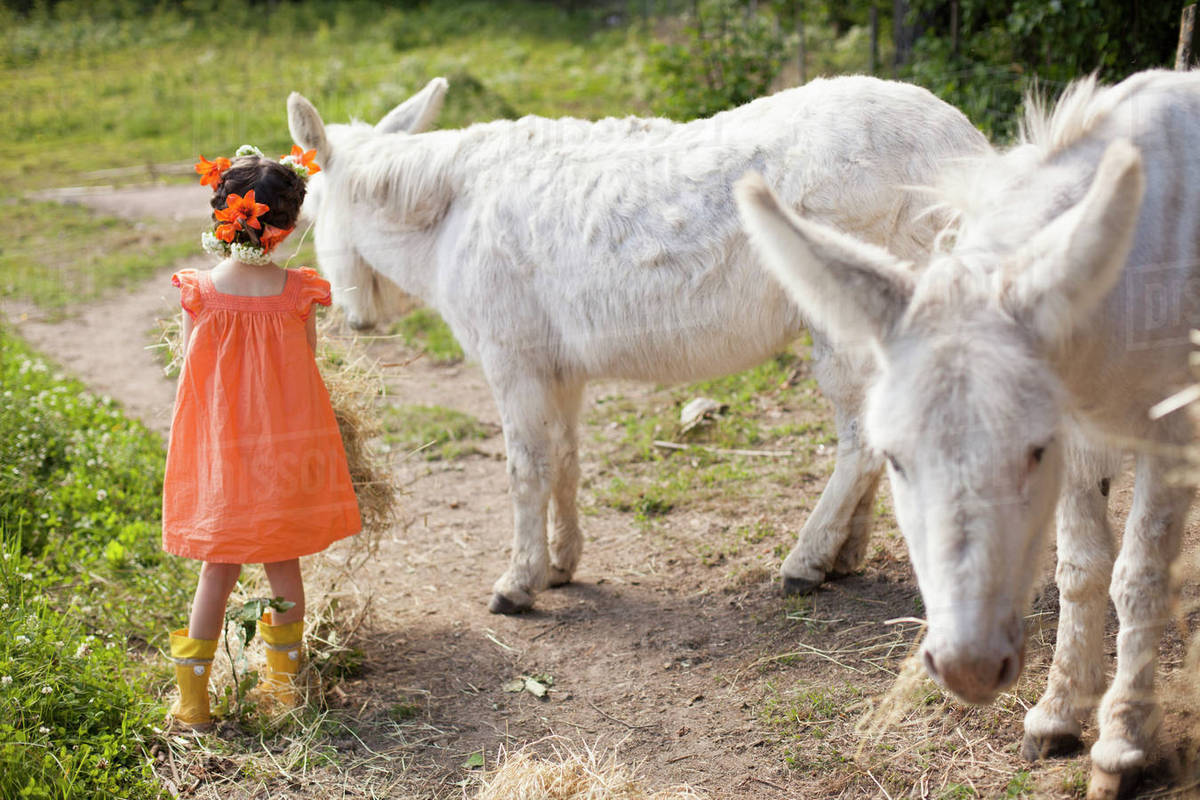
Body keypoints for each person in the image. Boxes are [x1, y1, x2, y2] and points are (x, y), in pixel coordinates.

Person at [163, 145, 360, 730]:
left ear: (221, 217)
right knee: (283, 561)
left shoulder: (198, 290)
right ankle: (284, 693)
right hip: (284, 450)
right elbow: (306, 362)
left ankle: (193, 704)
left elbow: (188, 368)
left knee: (217, 567)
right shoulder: (299, 293)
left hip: (221, 450)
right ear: (288, 226)